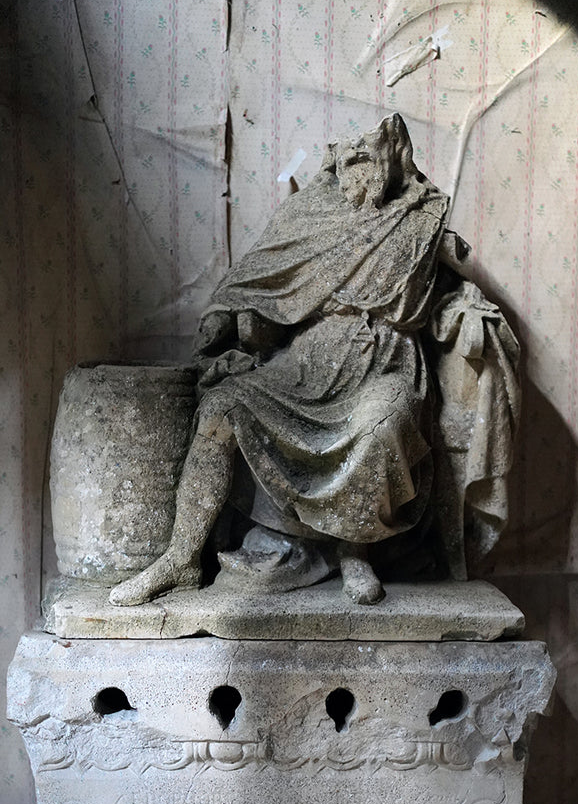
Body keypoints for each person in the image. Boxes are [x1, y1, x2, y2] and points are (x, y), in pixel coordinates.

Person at [110, 114, 519, 607]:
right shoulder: (310, 214)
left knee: (383, 423)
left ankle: (355, 553)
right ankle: (182, 557)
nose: (355, 169)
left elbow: (450, 291)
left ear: (395, 157)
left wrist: (470, 311)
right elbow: (256, 278)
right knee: (222, 406)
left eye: (366, 157)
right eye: (347, 159)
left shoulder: (422, 220)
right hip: (306, 364)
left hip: (386, 363)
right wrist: (223, 319)